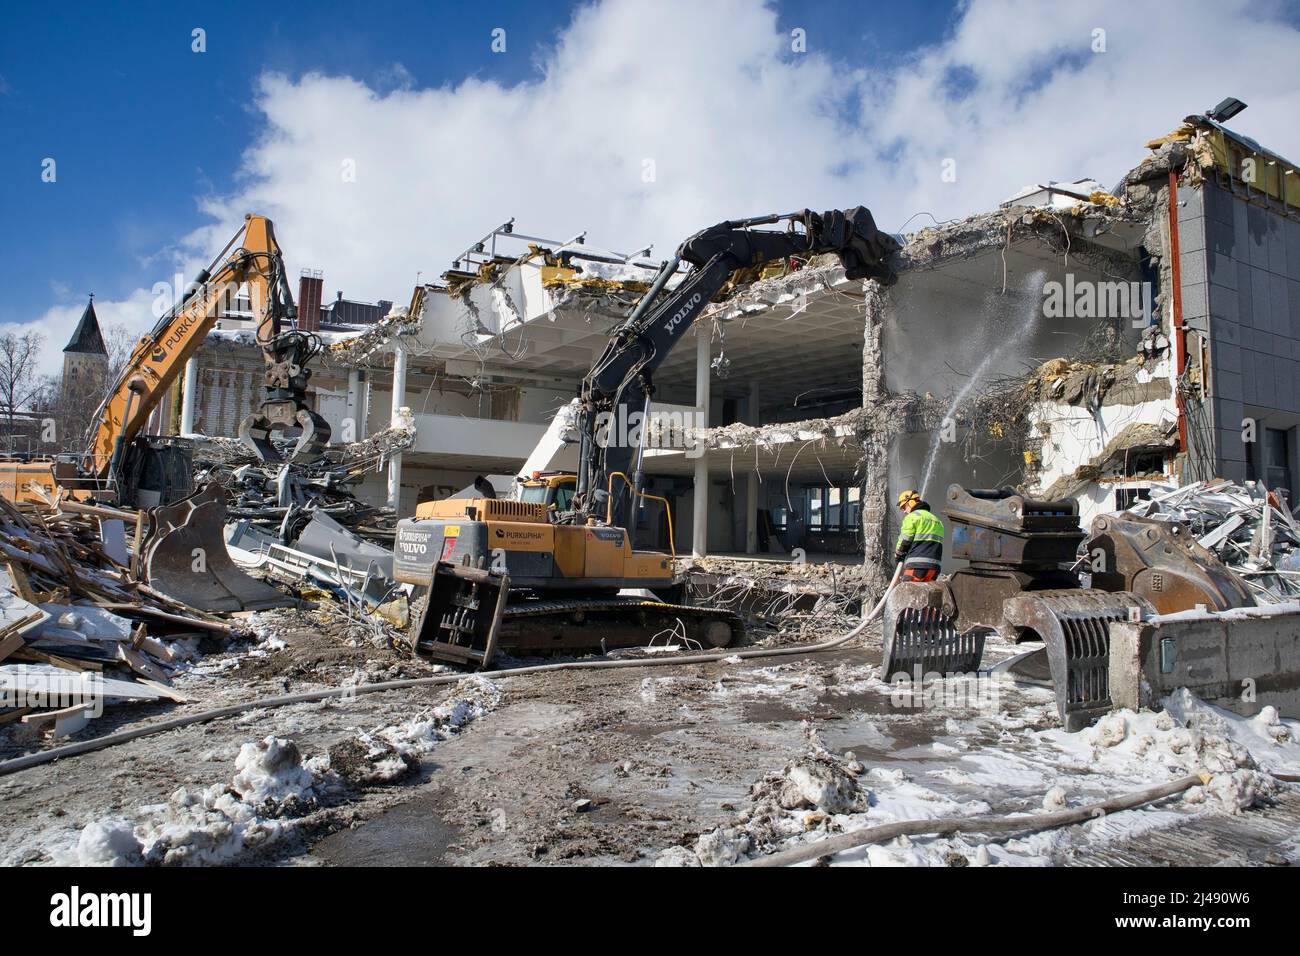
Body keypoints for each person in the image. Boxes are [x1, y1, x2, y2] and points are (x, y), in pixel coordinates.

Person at [893, 489, 944, 582]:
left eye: (904, 507)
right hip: (934, 568)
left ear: (911, 502)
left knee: (907, 593)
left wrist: (898, 555)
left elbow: (905, 540)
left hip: (917, 566)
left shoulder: (912, 517)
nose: (904, 511)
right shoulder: (937, 520)